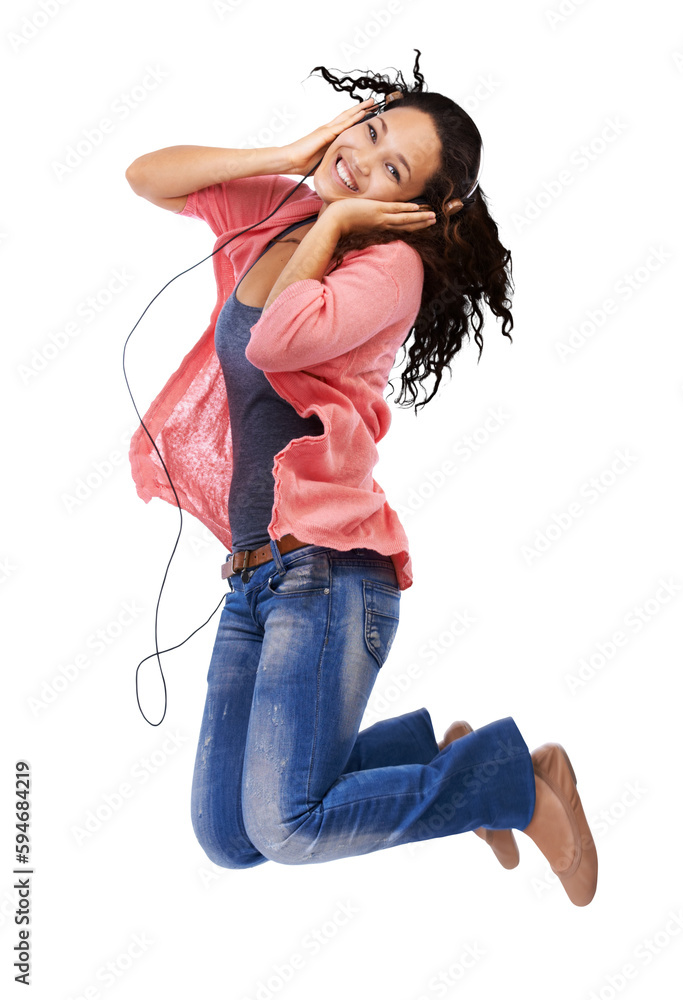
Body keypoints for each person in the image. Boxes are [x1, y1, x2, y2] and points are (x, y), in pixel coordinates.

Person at [125, 51, 597, 906]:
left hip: (330, 572)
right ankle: (442, 761)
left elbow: (274, 342)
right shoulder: (284, 217)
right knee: (230, 838)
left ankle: (511, 784)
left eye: (392, 171)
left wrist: (338, 223)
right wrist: (295, 153)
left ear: (414, 208)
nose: (364, 163)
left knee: (288, 826)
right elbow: (147, 176)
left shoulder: (388, 269)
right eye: (371, 134)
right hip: (253, 576)